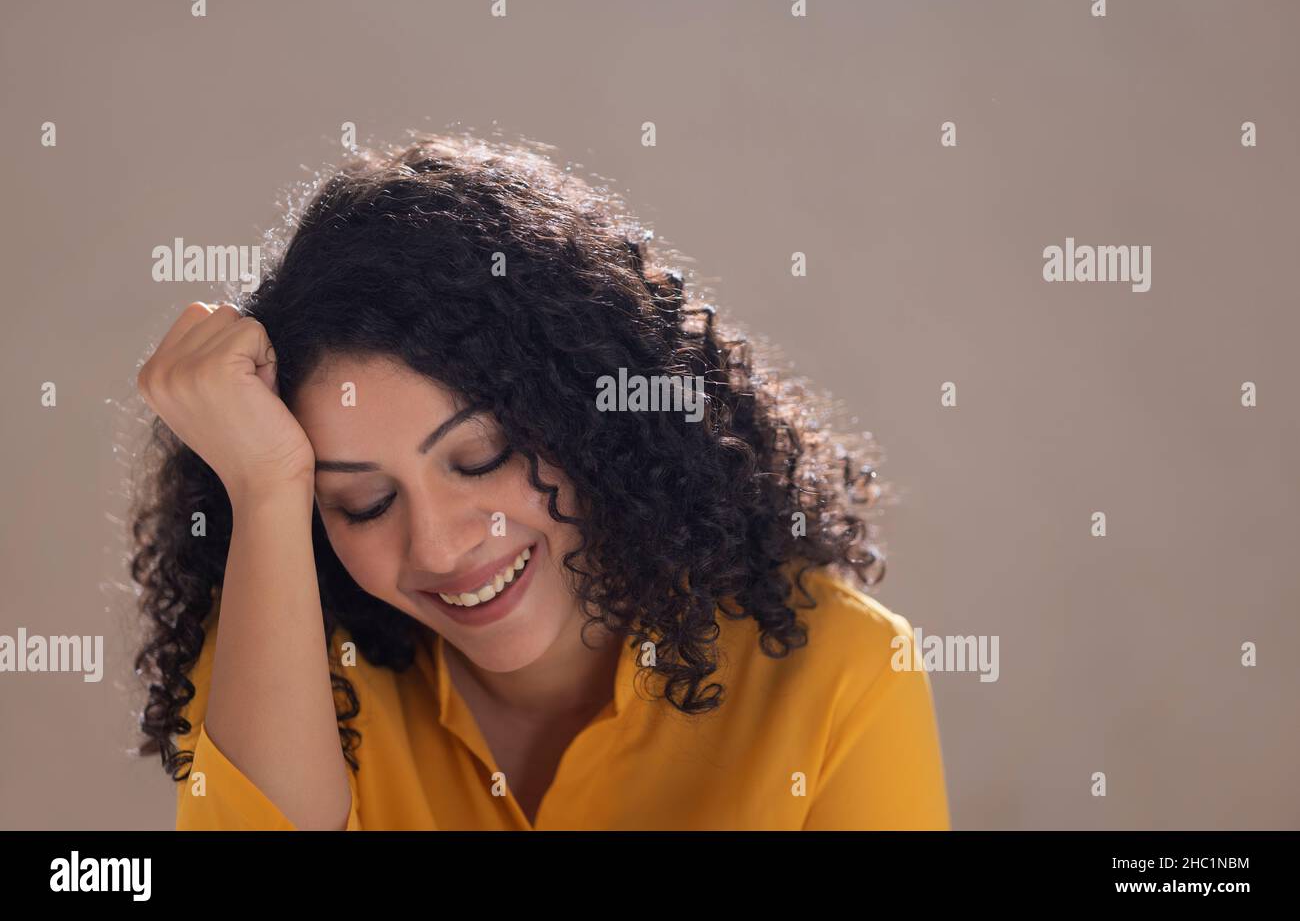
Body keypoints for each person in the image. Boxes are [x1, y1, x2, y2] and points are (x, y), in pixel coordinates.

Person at [128, 132, 951, 830]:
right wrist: (266, 485)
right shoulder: (287, 655)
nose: (442, 544)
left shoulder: (842, 674)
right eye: (362, 503)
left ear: (587, 419)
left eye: (480, 456)